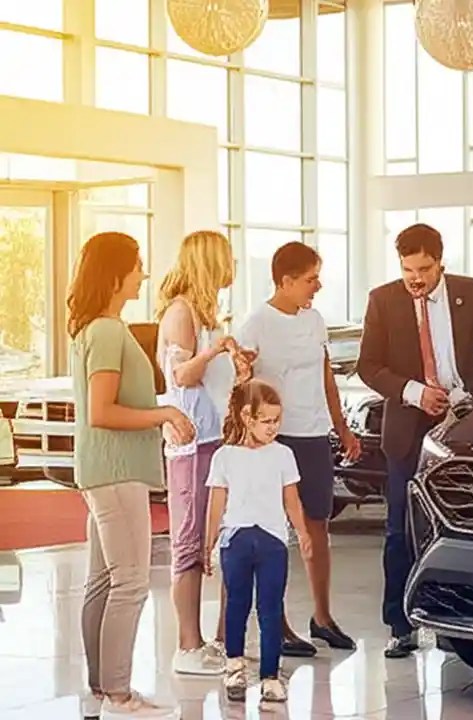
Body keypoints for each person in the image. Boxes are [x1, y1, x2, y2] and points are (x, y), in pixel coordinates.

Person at [356, 223, 473, 659]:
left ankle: (459, 621)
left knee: (464, 524)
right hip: (405, 431)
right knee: (400, 528)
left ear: (440, 262)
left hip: (464, 428)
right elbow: (369, 366)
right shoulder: (384, 299)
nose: (415, 277)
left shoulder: (472, 292)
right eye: (408, 268)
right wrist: (414, 391)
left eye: (424, 268)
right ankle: (400, 625)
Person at [69, 232, 195, 719]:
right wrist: (164, 413)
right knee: (130, 583)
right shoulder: (105, 331)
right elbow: (103, 411)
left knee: (102, 582)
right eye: (138, 265)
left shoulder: (96, 329)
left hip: (103, 470)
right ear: (117, 272)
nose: (144, 273)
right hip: (115, 471)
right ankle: (120, 695)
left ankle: (104, 689)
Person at [233, 241, 361, 656]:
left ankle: (322, 618)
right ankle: (278, 624)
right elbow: (241, 387)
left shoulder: (314, 319)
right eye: (310, 279)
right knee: (274, 532)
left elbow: (325, 377)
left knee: (317, 526)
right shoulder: (256, 324)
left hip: (312, 434)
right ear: (285, 281)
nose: (317, 286)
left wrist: (342, 428)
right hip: (274, 438)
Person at [154, 229, 245, 676]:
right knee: (189, 540)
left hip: (217, 442)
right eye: (227, 256)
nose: (234, 264)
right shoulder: (180, 313)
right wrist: (215, 350)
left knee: (223, 537)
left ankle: (222, 641)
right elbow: (182, 376)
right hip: (192, 447)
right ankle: (188, 646)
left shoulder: (208, 315)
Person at [203, 379, 313, 704]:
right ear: (247, 418)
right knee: (237, 604)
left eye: (277, 420)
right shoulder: (224, 457)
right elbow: (216, 505)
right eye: (266, 421)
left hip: (273, 542)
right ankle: (234, 666)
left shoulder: (283, 455)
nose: (273, 427)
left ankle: (270, 676)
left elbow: (292, 500)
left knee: (270, 608)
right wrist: (208, 542)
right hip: (235, 540)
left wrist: (303, 532)